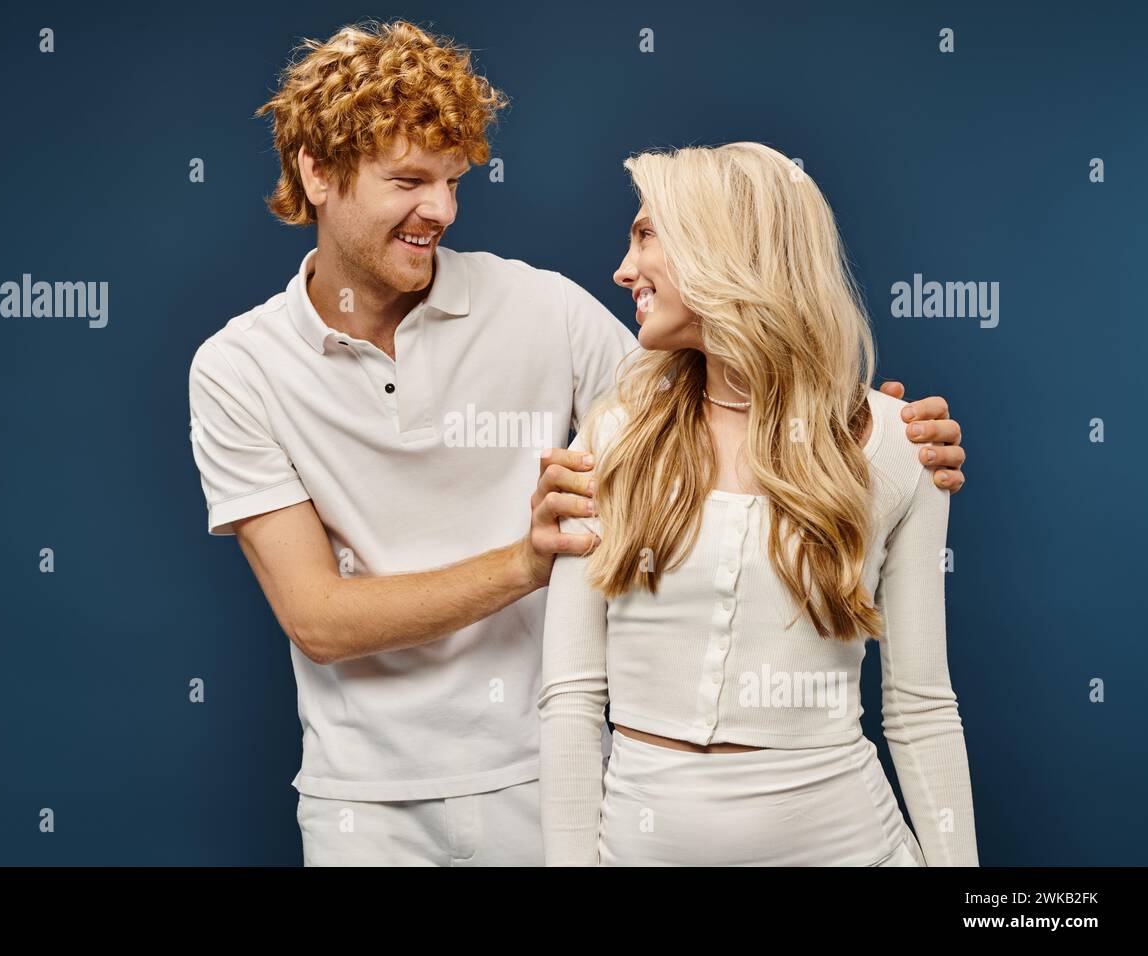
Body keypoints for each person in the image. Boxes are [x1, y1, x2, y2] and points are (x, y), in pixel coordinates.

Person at [187, 20, 968, 867]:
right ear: (317, 172)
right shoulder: (240, 368)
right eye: (409, 180)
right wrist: (528, 562)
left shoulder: (544, 310)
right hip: (364, 801)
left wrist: (861, 431)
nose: (441, 210)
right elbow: (319, 620)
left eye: (453, 181)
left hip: (545, 774)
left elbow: (710, 388)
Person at [538, 142, 978, 867]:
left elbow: (923, 707)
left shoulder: (903, 447)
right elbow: (572, 697)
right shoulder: (611, 436)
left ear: (726, 247)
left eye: (646, 235)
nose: (622, 269)